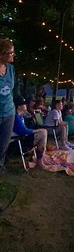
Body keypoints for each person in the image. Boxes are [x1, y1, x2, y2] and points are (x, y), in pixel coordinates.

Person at [13, 97, 47, 170]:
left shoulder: (20, 117)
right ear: (19, 106)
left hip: (21, 139)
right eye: (24, 104)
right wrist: (36, 131)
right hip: (16, 142)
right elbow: (24, 131)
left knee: (43, 132)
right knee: (42, 133)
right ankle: (40, 162)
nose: (26, 105)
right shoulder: (15, 117)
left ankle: (41, 160)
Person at [0, 39, 16, 171]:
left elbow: (11, 89)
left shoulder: (11, 69)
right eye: (11, 52)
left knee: (3, 145)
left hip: (9, 112)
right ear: (1, 54)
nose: (13, 55)